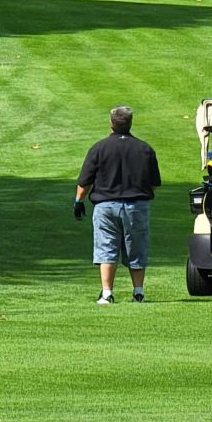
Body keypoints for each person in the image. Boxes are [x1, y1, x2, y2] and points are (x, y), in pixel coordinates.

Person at [74, 105, 161, 304]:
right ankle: (138, 292)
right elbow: (154, 183)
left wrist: (78, 201)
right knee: (136, 248)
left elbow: (84, 181)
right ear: (130, 123)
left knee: (106, 248)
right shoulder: (144, 148)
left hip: (105, 206)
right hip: (137, 205)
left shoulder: (99, 148)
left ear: (111, 123)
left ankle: (107, 293)